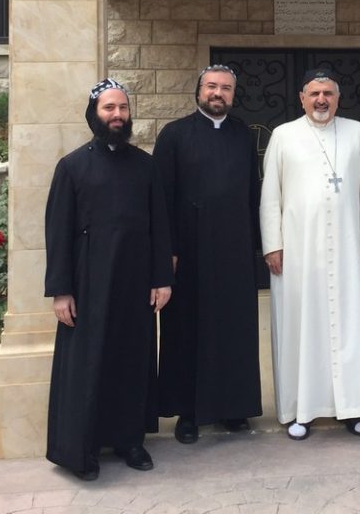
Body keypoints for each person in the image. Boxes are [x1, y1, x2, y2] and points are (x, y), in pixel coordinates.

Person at [45, 79, 173, 480]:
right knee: (88, 362)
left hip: (135, 284)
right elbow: (58, 232)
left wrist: (162, 279)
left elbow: (160, 227)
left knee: (132, 361)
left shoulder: (145, 166)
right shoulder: (71, 167)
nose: (117, 115)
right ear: (94, 114)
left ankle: (129, 440)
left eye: (123, 108)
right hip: (87, 285)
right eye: (109, 108)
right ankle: (82, 446)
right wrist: (60, 290)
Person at [260, 68, 360, 440]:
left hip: (349, 250)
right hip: (300, 253)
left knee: (352, 326)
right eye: (314, 93)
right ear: (301, 98)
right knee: (303, 328)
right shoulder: (284, 136)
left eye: (328, 94)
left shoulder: (356, 132)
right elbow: (271, 196)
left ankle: (354, 407)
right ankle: (303, 409)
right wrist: (273, 245)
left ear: (338, 98)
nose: (321, 100)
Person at [153, 64, 262, 444]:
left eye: (226, 88)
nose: (218, 94)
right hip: (189, 251)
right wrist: (167, 251)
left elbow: (253, 193)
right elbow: (161, 198)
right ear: (198, 91)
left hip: (234, 249)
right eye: (212, 87)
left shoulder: (243, 135)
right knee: (188, 330)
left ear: (234, 94)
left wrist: (257, 245)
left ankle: (233, 408)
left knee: (233, 329)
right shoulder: (174, 135)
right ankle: (189, 412)